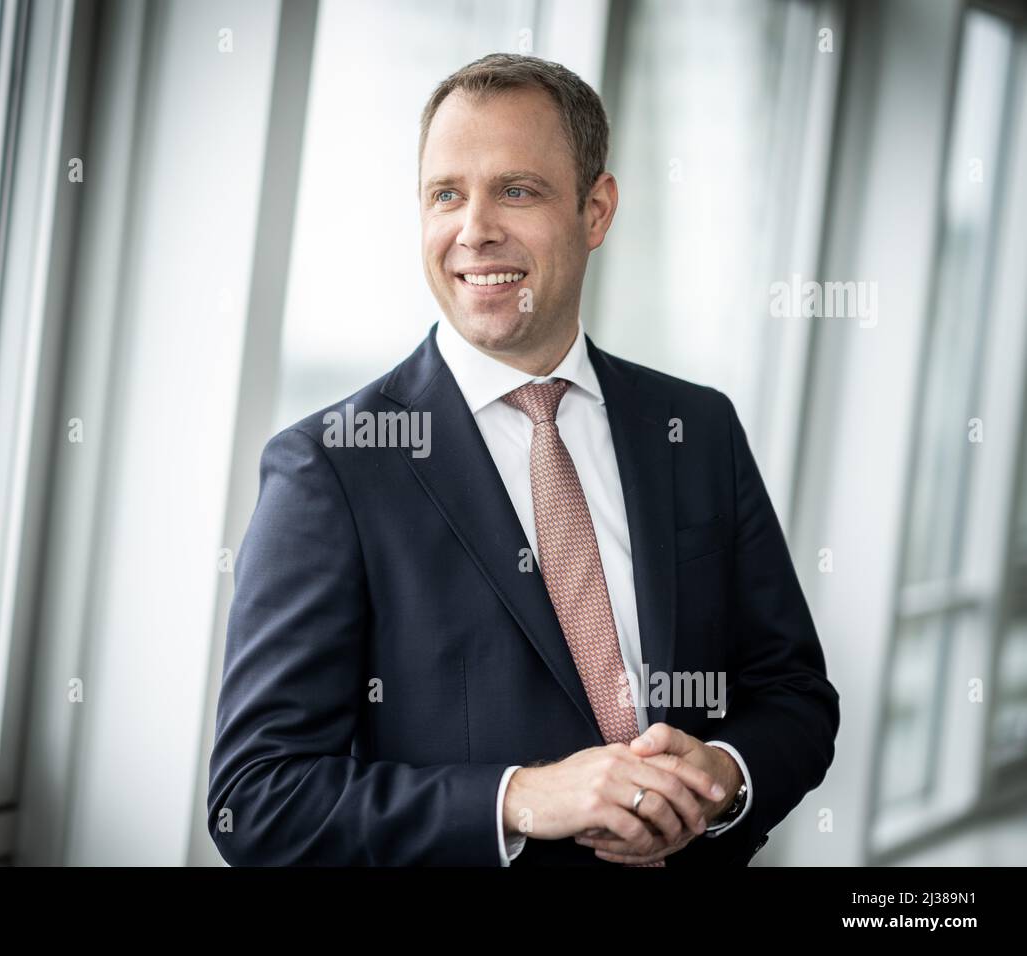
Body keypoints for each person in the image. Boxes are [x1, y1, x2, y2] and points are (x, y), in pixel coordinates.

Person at [207, 52, 838, 866]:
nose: (474, 230)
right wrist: (520, 798)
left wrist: (722, 777)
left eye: (517, 189)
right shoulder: (328, 470)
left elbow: (792, 693)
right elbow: (257, 800)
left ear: (597, 210)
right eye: (446, 194)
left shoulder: (697, 428)